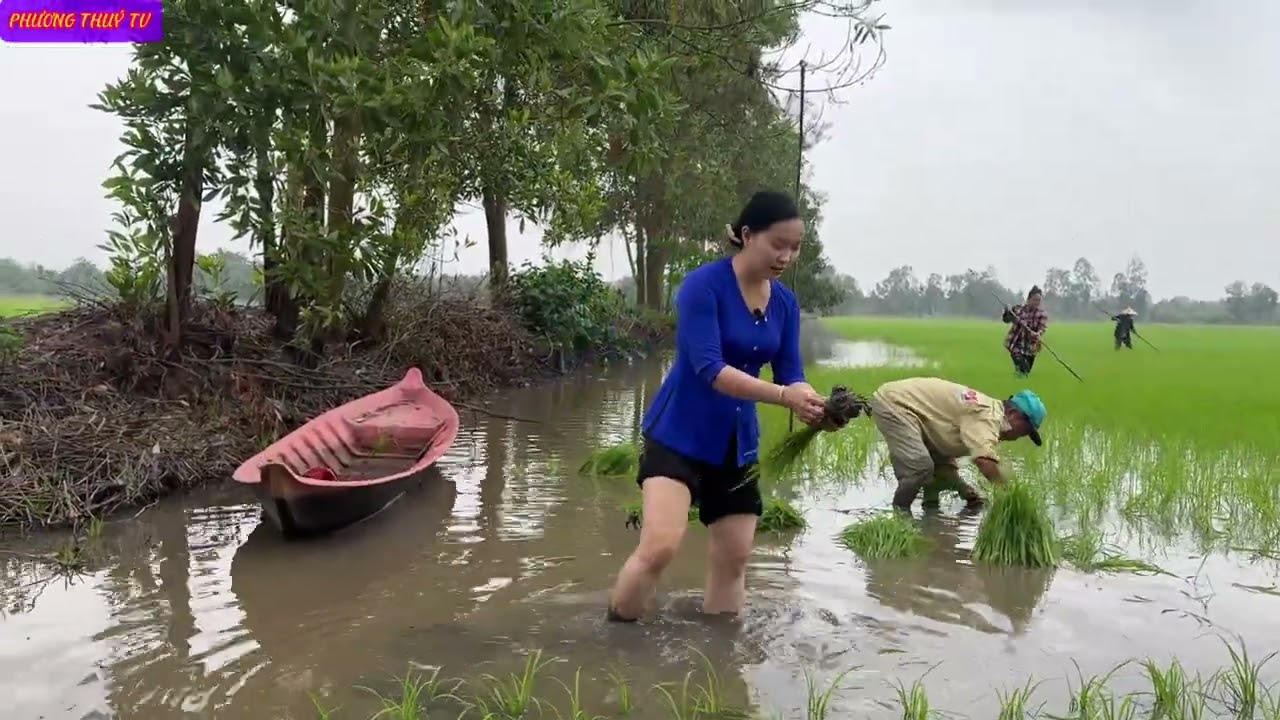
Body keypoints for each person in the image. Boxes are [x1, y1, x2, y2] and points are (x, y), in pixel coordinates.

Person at [606, 190, 830, 623]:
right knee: (659, 547)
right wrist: (784, 397)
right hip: (678, 436)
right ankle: (617, 637)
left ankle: (721, 654)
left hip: (736, 445)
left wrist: (814, 405)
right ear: (748, 235)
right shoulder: (703, 287)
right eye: (777, 244)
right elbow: (711, 368)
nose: (786, 256)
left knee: (735, 557)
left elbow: (790, 371)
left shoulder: (785, 303)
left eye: (795, 247)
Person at [866, 377, 1046, 513]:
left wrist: (966, 492)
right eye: (1024, 430)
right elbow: (984, 461)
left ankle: (930, 513)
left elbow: (944, 460)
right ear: (1013, 413)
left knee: (938, 467)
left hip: (913, 409)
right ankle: (900, 516)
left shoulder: (988, 413)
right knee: (919, 467)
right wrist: (1009, 496)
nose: (1019, 437)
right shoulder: (989, 417)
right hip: (896, 403)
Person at [1001, 286, 1049, 376]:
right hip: (1016, 342)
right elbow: (1006, 320)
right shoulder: (1018, 309)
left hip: (1031, 345)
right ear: (1028, 299)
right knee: (1022, 366)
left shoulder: (1042, 314)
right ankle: (1019, 373)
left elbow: (1042, 328)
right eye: (1034, 300)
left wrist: (1037, 333)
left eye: (1038, 300)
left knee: (1026, 372)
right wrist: (1007, 313)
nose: (1036, 302)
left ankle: (1019, 375)